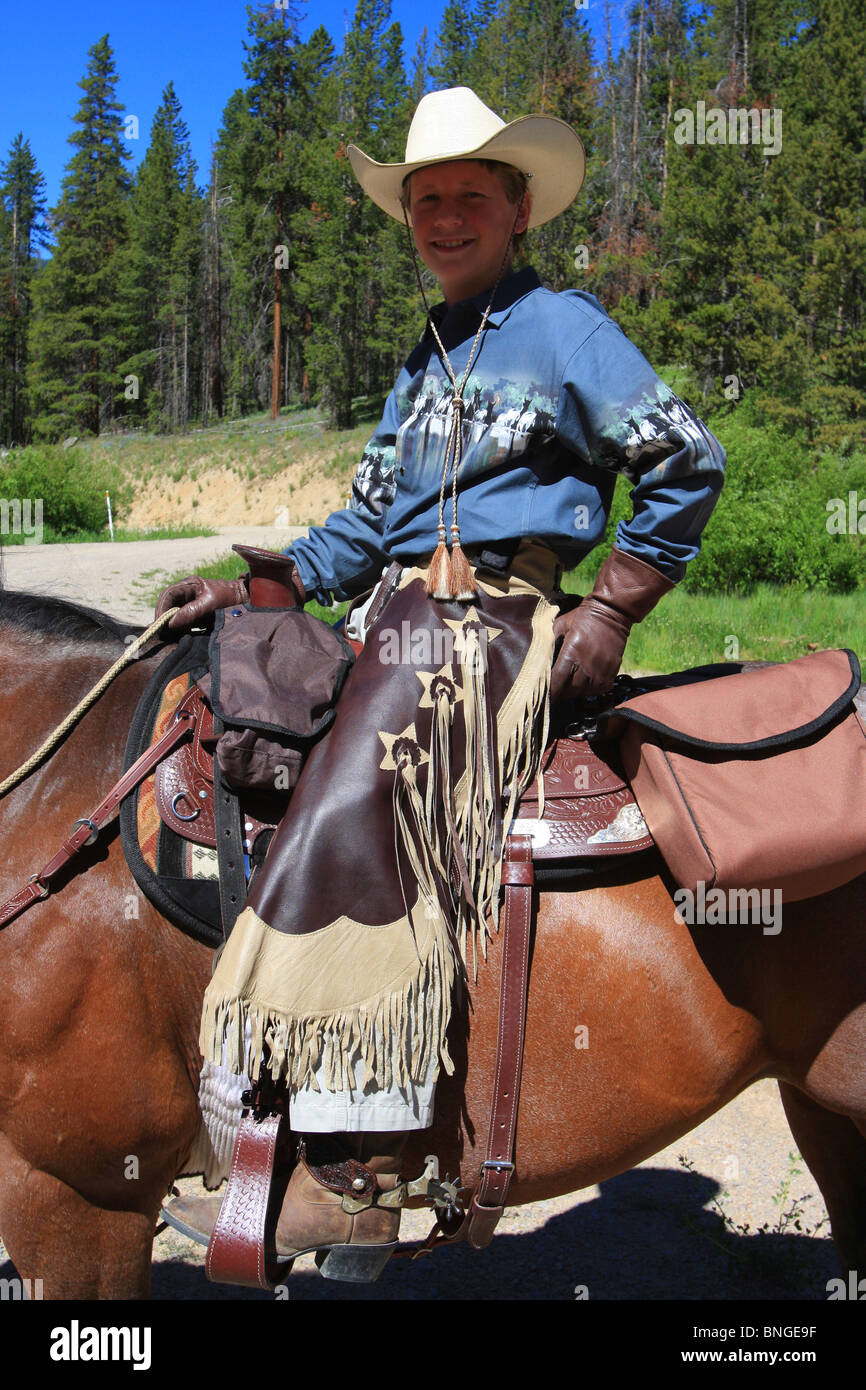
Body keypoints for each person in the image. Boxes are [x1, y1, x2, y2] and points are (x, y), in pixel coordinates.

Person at [158, 87, 725, 1278]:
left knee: (369, 772)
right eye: (426, 200)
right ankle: (268, 1073)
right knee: (255, 714)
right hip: (397, 603)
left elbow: (685, 457)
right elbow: (363, 523)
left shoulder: (564, 327)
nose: (446, 216)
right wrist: (253, 584)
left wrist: (612, 606)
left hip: (497, 616)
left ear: (516, 208)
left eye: (471, 194)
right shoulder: (423, 350)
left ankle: (362, 1162)